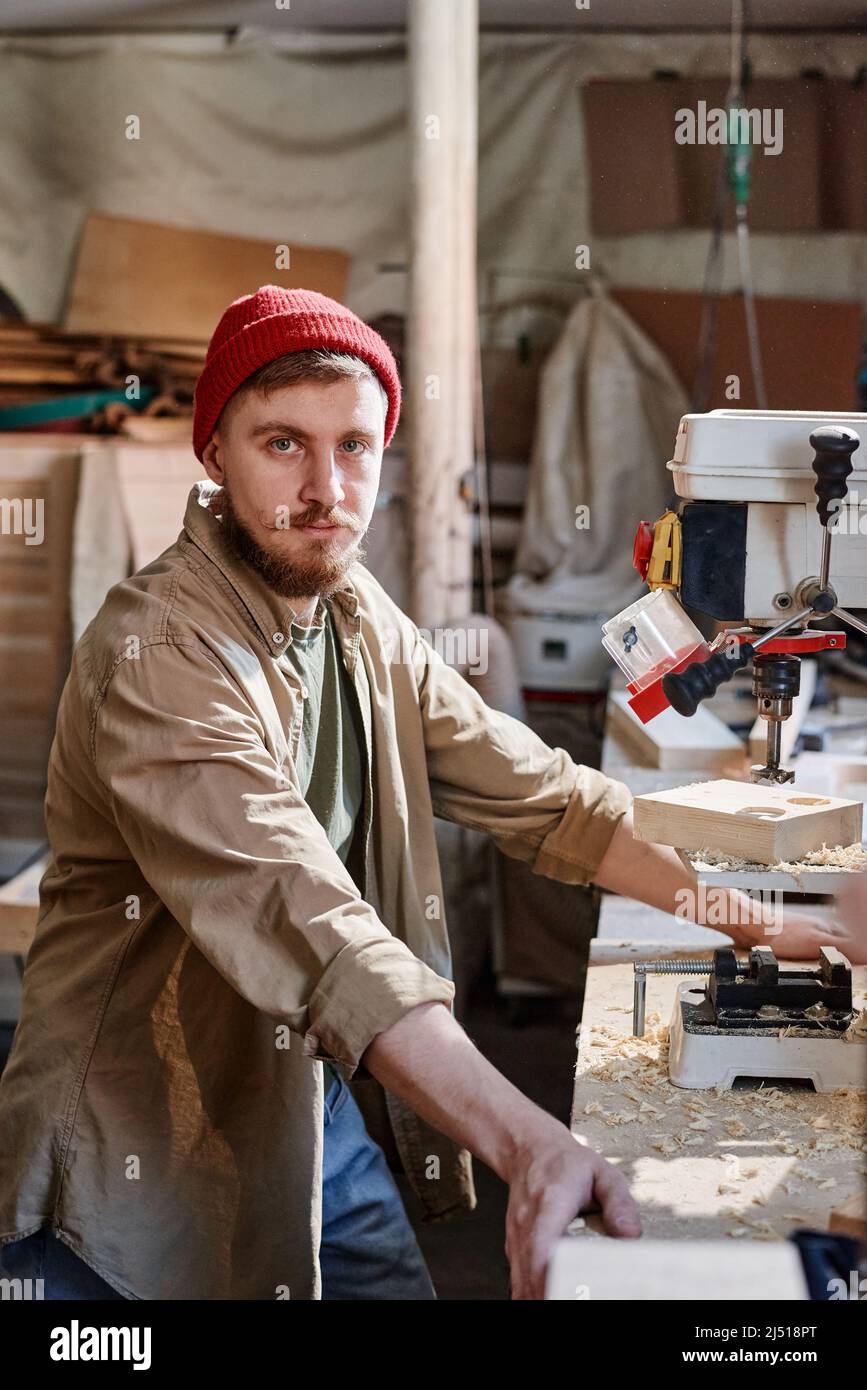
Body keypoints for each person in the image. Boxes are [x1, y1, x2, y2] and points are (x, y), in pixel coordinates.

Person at [0, 287, 861, 1302]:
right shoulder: (160, 656)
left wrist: (760, 924)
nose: (327, 487)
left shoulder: (354, 614)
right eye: (283, 444)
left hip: (306, 1108)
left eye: (356, 447)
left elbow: (544, 796)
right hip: (132, 1150)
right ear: (214, 453)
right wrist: (531, 1143)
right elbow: (310, 921)